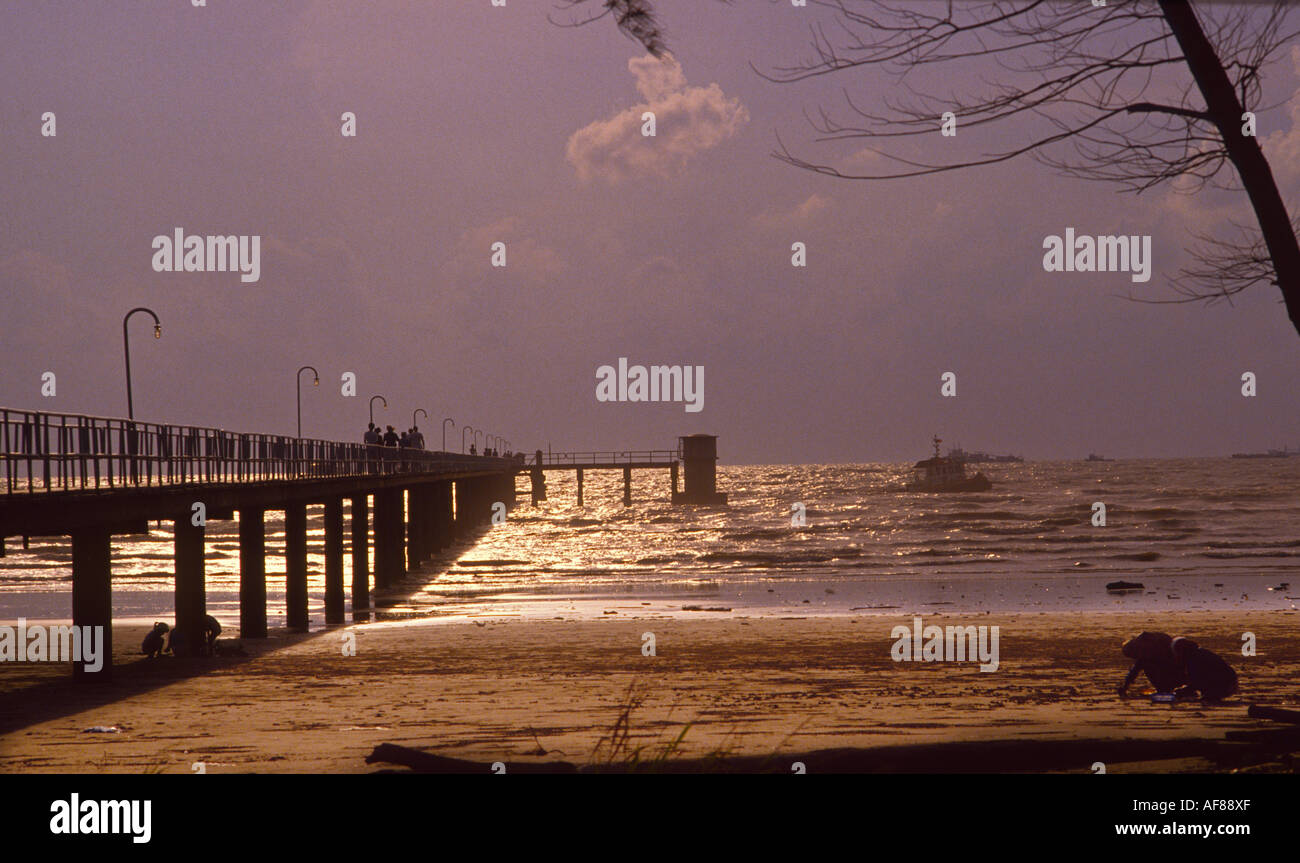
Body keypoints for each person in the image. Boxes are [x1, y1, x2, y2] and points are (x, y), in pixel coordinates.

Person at [1118, 631, 1186, 696]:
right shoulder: (1144, 645)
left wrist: (1125, 686)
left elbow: (1134, 671)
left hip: (1172, 660)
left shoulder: (1145, 650)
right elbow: (1134, 670)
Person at [1171, 636, 1238, 702]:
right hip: (1229, 681)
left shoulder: (1194, 658)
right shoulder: (1198, 653)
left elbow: (1196, 681)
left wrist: (1183, 691)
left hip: (1224, 684)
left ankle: (1213, 695)